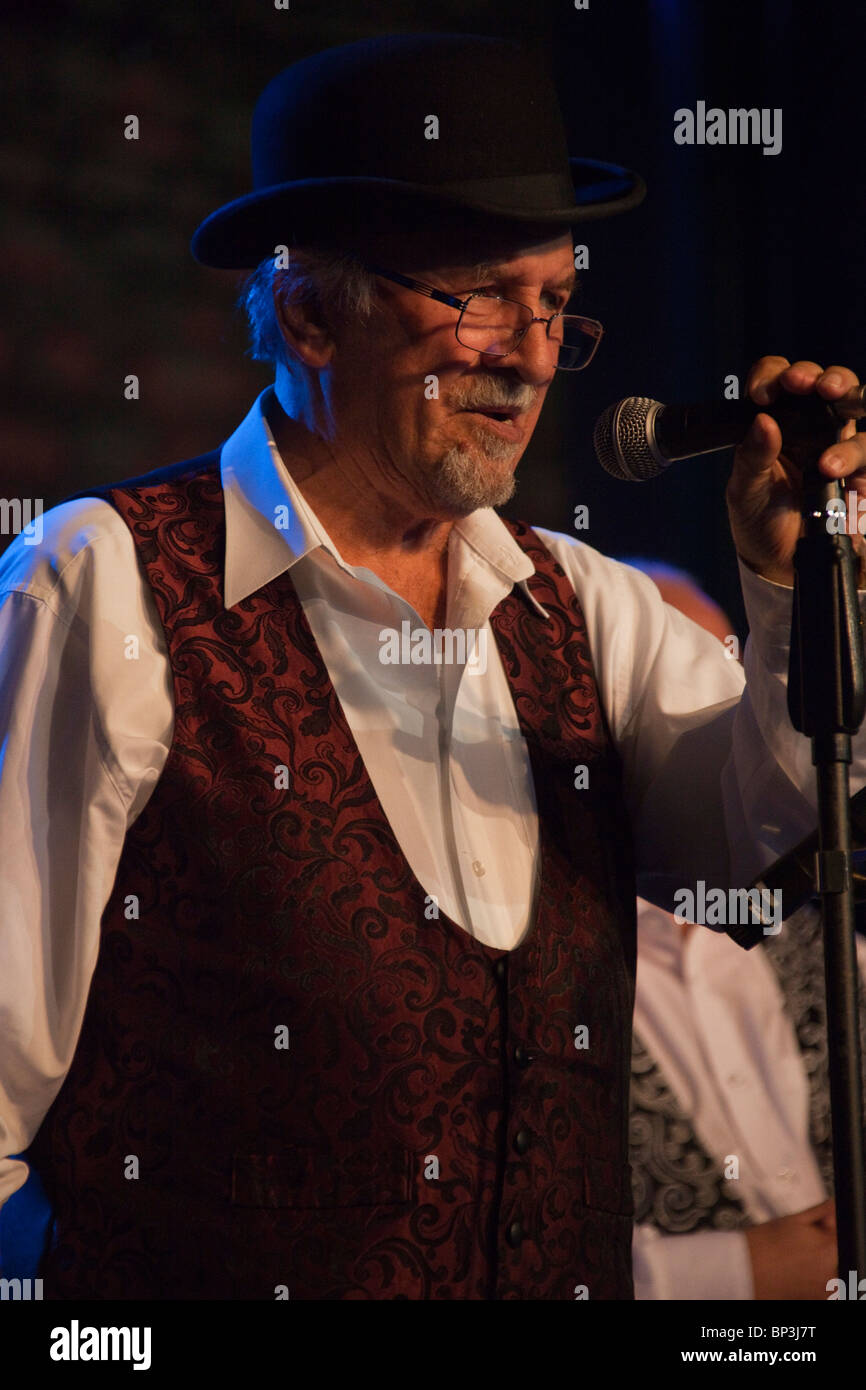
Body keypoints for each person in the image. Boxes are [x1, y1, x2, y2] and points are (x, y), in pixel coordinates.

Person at [2, 32, 866, 1301]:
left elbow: (763, 846)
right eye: (475, 296)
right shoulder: (106, 581)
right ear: (306, 309)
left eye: (553, 302)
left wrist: (787, 586)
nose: (524, 355)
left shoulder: (580, 604)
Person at [623, 563, 866, 1301]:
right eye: (684, 710)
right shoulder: (550, 974)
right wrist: (740, 1277)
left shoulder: (832, 944)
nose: (728, 736)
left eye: (734, 696)